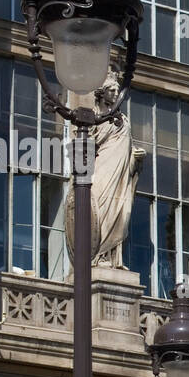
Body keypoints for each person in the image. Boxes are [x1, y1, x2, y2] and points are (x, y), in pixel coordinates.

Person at [65, 70, 144, 268]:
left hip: (120, 171)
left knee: (120, 212)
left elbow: (126, 145)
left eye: (117, 90)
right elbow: (84, 145)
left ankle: (113, 257)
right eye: (112, 90)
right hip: (102, 169)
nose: (116, 94)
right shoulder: (94, 116)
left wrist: (135, 157)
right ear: (102, 92)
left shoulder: (123, 119)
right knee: (99, 209)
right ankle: (98, 256)